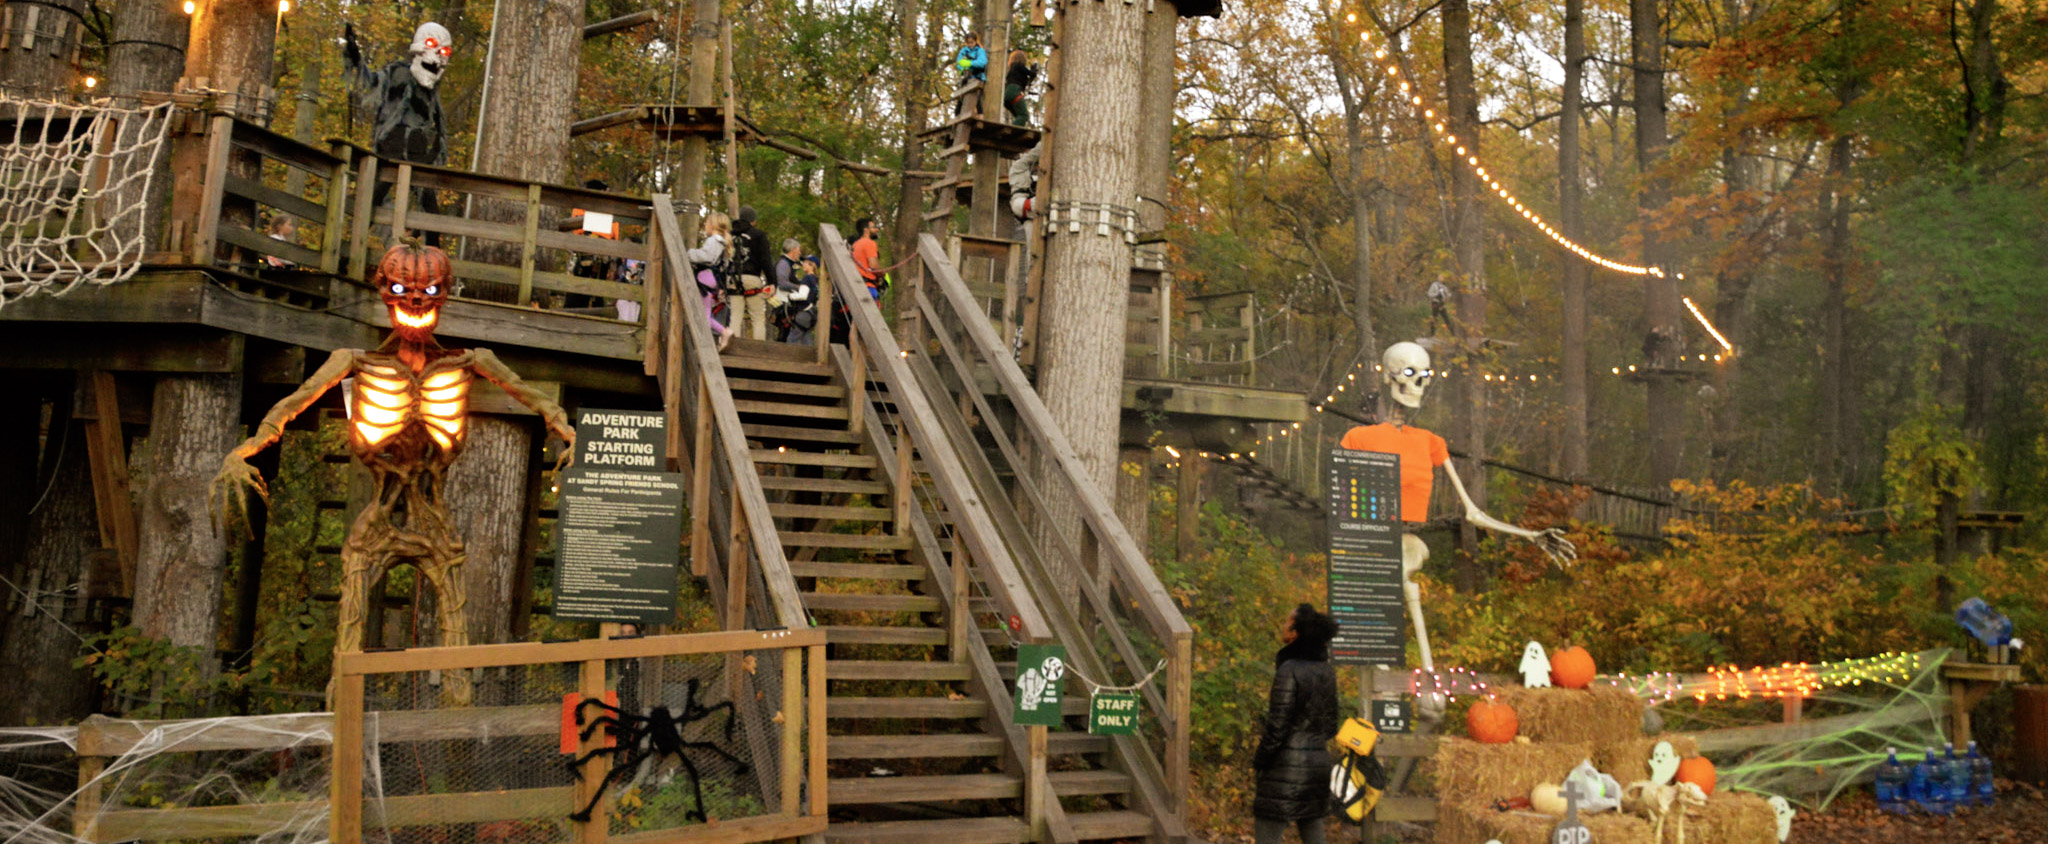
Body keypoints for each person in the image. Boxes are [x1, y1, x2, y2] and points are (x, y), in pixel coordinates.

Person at [1252, 603, 1339, 844]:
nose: (1283, 625)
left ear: (1295, 633)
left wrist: (1261, 759)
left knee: (1268, 827)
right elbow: (1332, 726)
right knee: (1312, 827)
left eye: (1288, 622)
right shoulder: (1327, 671)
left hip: (1284, 766)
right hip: (1319, 764)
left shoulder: (1288, 669)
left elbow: (1277, 725)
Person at [689, 212, 735, 351]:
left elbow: (706, 256)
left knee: (703, 315)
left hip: (704, 278)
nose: (705, 225)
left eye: (707, 223)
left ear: (712, 225)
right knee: (705, 314)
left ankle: (724, 332)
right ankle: (722, 333)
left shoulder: (713, 240)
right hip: (711, 280)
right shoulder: (722, 243)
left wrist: (689, 253)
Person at [730, 206, 774, 340]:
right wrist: (772, 281)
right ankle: (757, 350)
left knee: (735, 317)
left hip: (732, 278)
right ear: (753, 221)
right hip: (752, 278)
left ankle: (733, 351)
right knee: (757, 317)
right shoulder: (759, 235)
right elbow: (766, 260)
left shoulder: (730, 235)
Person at [850, 217, 885, 300]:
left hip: (856, 285)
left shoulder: (855, 244)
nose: (877, 230)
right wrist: (882, 274)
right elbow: (873, 266)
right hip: (868, 287)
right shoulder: (870, 243)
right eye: (874, 227)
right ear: (866, 230)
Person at [1003, 50, 1036, 126]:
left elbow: (1027, 80)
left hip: (1007, 95)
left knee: (1019, 116)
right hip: (1014, 92)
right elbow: (1030, 73)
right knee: (1024, 116)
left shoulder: (1013, 70)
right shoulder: (1017, 65)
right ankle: (1011, 132)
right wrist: (1033, 71)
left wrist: (1031, 75)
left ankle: (1012, 128)